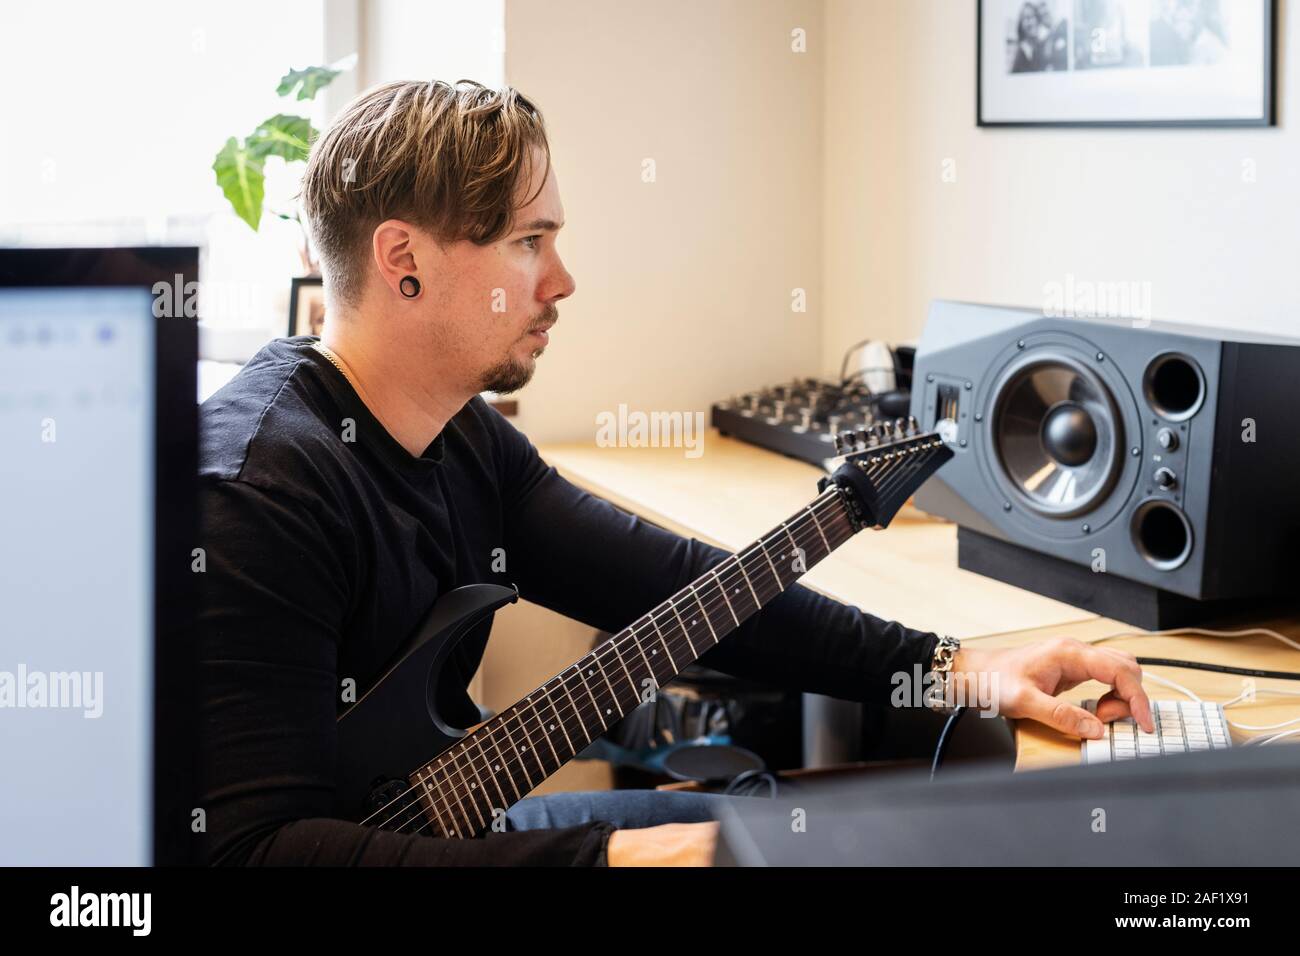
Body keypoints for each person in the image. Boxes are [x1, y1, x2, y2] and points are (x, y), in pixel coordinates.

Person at [195, 79, 1153, 867]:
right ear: (402, 258)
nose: (561, 279)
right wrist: (621, 861)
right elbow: (251, 857)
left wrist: (953, 669)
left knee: (798, 826)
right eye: (529, 241)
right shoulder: (256, 496)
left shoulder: (461, 437)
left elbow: (683, 588)